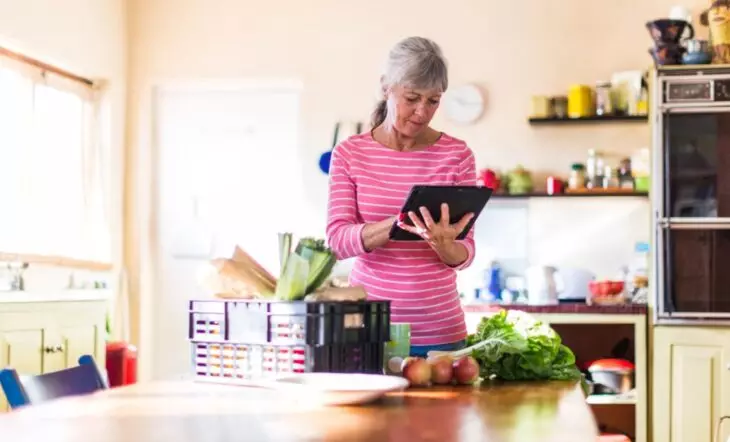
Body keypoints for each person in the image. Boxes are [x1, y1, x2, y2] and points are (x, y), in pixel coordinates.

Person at [325, 36, 478, 357]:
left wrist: (445, 245)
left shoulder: (457, 155)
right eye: (412, 98)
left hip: (440, 331)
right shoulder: (350, 154)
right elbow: (336, 242)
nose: (422, 112)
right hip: (369, 329)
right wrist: (397, 224)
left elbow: (466, 253)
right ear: (386, 87)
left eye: (433, 101)